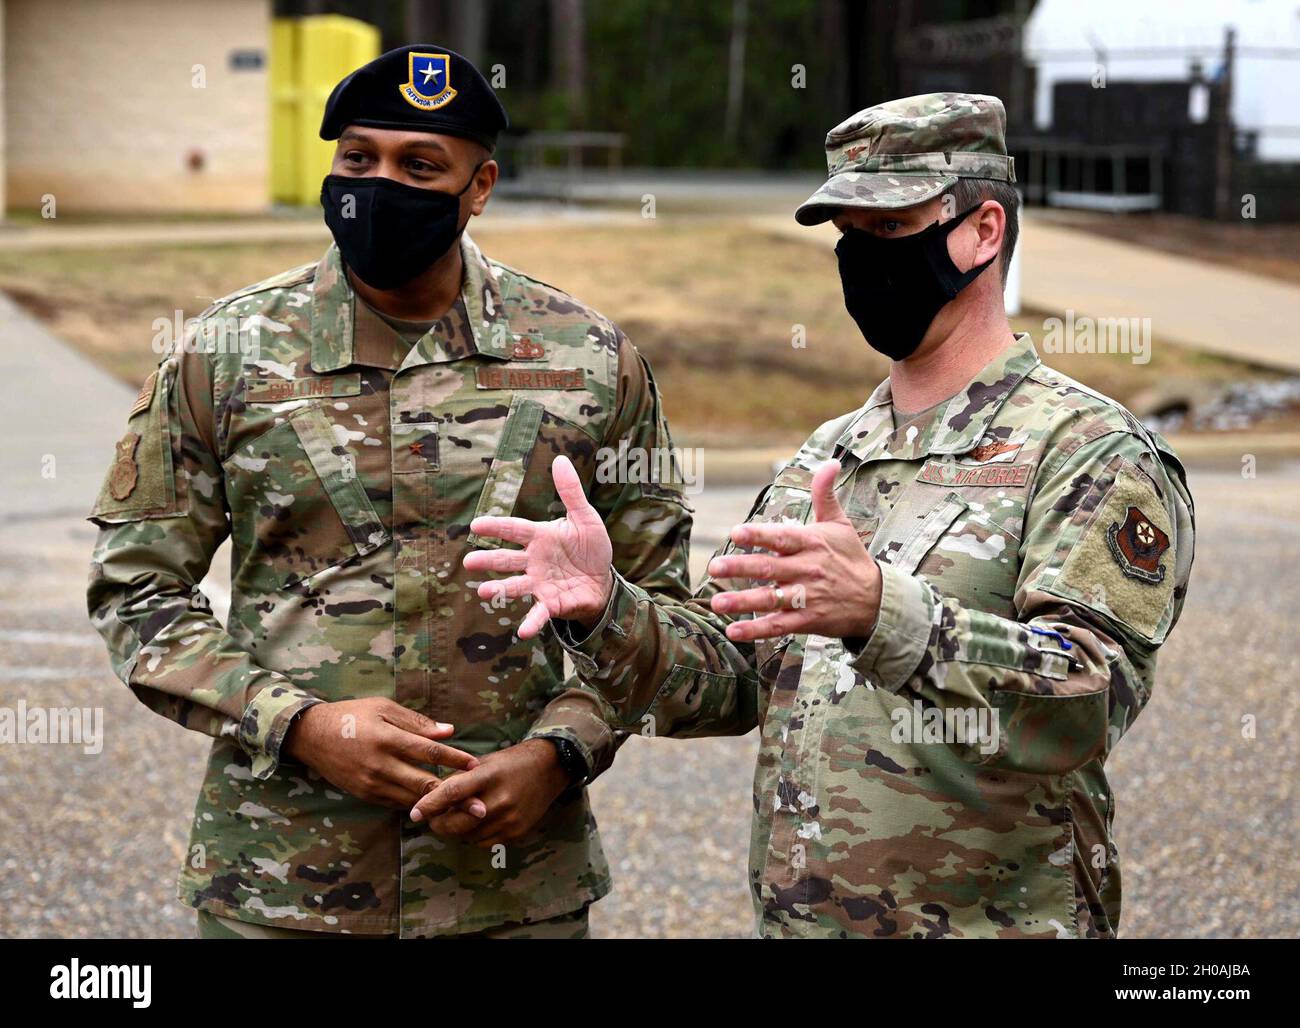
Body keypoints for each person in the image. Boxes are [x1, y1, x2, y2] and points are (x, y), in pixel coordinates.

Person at [417, 93, 1196, 939]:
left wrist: (881, 612)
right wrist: (608, 609)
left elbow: (1087, 701)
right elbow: (729, 679)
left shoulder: (1085, 450)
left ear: (982, 232)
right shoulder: (829, 453)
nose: (862, 257)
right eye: (847, 233)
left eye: (889, 229)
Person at [86, 45, 692, 939]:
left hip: (510, 888)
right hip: (281, 884)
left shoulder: (587, 360)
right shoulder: (226, 351)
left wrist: (563, 751)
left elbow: (667, 617)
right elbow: (135, 590)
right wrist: (299, 725)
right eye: (357, 158)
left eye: (419, 166)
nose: (377, 185)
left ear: (479, 186)